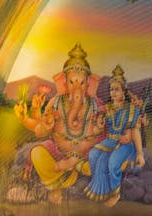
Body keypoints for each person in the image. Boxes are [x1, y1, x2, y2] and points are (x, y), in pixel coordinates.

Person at [14, 43, 104, 203]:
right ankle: (56, 185)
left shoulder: (95, 104)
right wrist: (29, 120)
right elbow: (40, 130)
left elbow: (105, 132)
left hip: (87, 157)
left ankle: (77, 171)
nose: (77, 88)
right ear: (64, 82)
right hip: (59, 155)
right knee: (37, 153)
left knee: (112, 158)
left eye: (81, 83)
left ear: (89, 83)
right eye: (72, 82)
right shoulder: (55, 103)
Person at [83, 64, 145, 207]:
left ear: (124, 91)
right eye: (111, 89)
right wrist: (98, 125)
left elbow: (135, 132)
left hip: (126, 144)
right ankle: (102, 188)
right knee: (93, 154)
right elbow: (98, 129)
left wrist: (140, 153)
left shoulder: (131, 109)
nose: (113, 92)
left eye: (117, 89)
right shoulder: (107, 108)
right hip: (110, 140)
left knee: (112, 163)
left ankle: (115, 193)